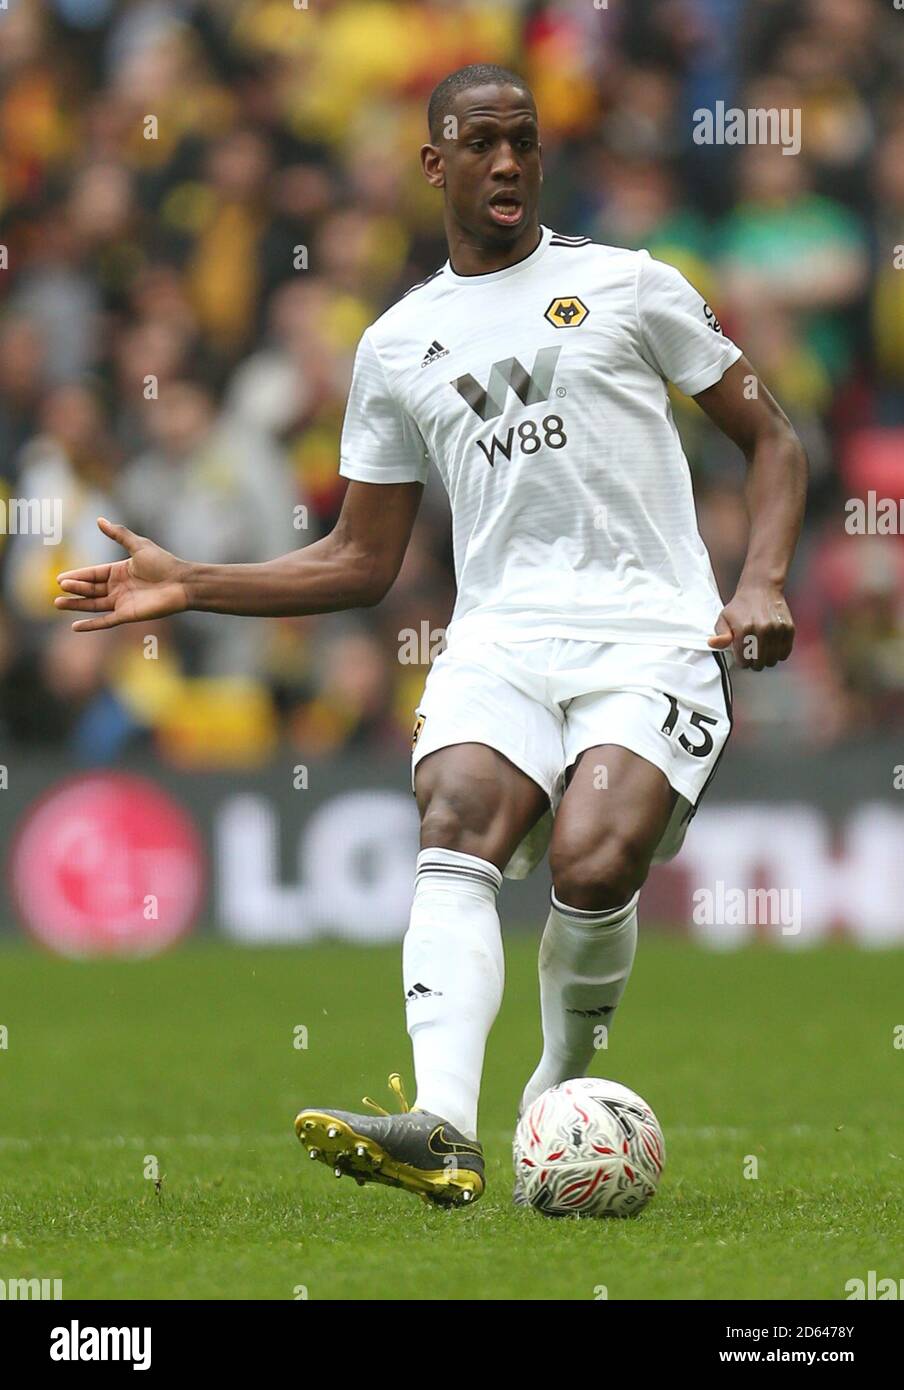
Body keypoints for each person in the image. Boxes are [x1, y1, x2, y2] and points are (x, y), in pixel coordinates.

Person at [55, 64, 807, 1208]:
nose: (506, 162)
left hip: (651, 633)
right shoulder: (397, 345)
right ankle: (442, 1129)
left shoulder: (632, 285)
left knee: (592, 854)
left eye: (524, 142)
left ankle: (554, 1102)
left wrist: (758, 582)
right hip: (499, 639)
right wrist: (190, 581)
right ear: (433, 164)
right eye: (481, 144)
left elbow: (776, 442)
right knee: (454, 810)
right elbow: (361, 560)